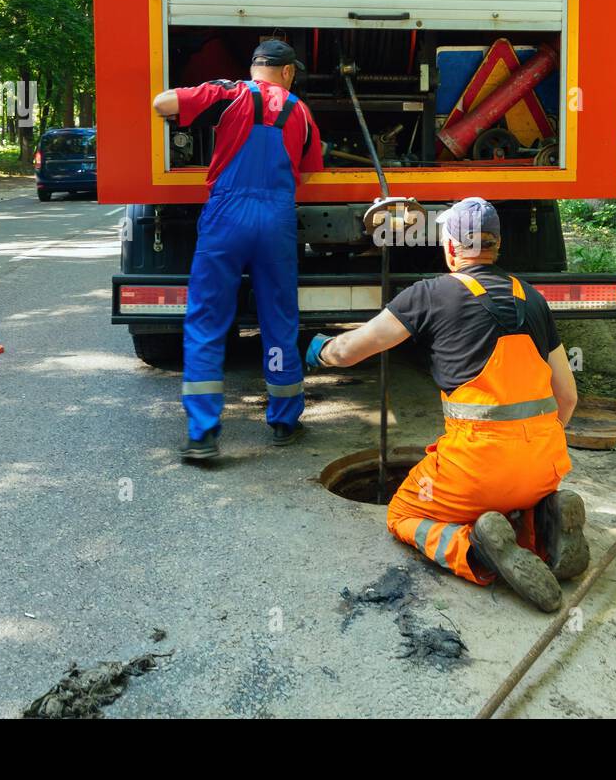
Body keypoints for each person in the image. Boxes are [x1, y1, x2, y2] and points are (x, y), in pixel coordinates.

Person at [305, 197, 587, 611]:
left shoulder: (430, 294)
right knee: (513, 496)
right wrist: (534, 446)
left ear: (451, 248)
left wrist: (319, 350)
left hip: (477, 468)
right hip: (544, 462)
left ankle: (475, 550)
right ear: (497, 245)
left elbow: (350, 351)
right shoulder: (533, 298)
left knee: (401, 513)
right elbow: (568, 396)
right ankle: (542, 521)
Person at [152, 39, 323, 460]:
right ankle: (284, 420)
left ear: (254, 68)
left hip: (226, 217)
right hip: (276, 220)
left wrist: (214, 89)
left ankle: (203, 433)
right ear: (287, 72)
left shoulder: (228, 92)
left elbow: (161, 103)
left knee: (208, 320)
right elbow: (307, 175)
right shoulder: (300, 110)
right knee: (279, 320)